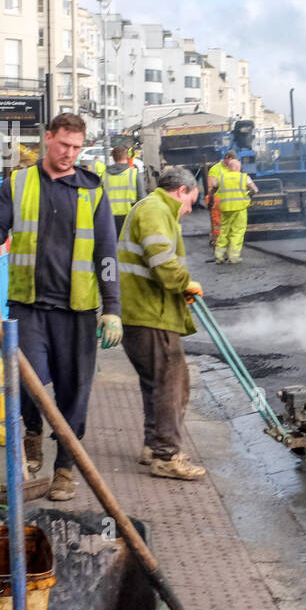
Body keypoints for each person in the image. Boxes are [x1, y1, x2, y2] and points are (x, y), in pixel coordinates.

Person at [0, 113, 122, 502]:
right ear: (48, 139)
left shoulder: (92, 189)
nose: (70, 154)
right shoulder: (18, 183)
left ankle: (65, 469)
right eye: (63, 145)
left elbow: (106, 250)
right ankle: (33, 431)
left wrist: (112, 307)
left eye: (77, 147)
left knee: (75, 392)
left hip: (77, 310)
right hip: (29, 306)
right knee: (29, 381)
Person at [118, 167, 207, 481]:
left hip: (142, 311)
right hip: (150, 314)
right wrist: (185, 283)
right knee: (173, 383)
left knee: (155, 383)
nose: (190, 209)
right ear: (181, 191)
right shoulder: (156, 211)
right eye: (191, 201)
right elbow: (164, 265)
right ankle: (167, 456)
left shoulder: (150, 208)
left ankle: (153, 446)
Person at [209, 155, 258, 263]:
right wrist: (247, 195)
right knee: (237, 232)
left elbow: (213, 189)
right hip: (240, 209)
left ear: (229, 168)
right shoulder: (244, 177)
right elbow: (254, 189)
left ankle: (219, 256)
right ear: (239, 167)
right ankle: (233, 257)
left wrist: (211, 201)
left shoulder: (221, 177)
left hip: (226, 209)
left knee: (223, 232)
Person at [103, 145, 146, 237]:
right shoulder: (134, 174)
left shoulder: (104, 175)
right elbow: (142, 198)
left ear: (113, 157)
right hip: (129, 216)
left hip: (109, 217)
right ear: (126, 156)